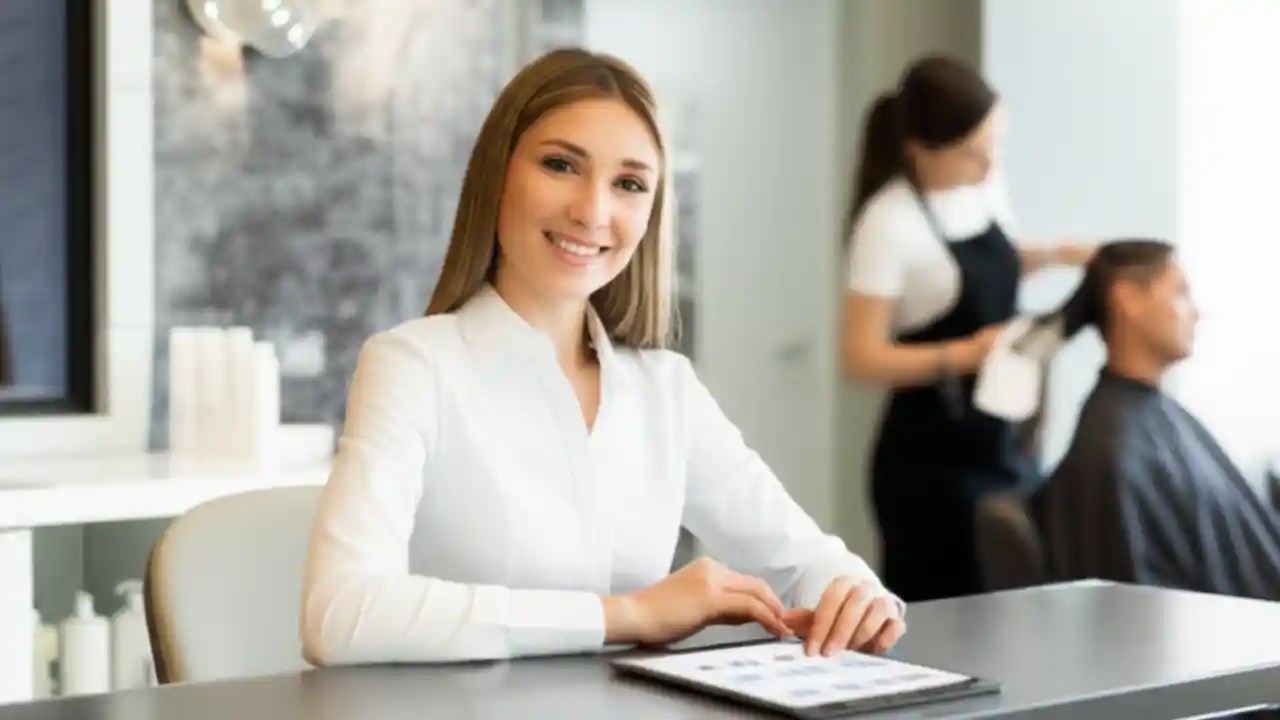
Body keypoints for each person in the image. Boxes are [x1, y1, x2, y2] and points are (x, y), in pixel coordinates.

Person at [301, 48, 904, 666]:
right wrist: (629, 614)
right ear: (498, 174)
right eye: (561, 165)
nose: (592, 211)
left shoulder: (664, 388)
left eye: (629, 184)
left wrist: (853, 595)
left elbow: (806, 559)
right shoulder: (413, 366)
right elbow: (340, 614)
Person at [840, 55, 1095, 602]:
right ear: (919, 149)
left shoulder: (981, 186)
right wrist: (964, 355)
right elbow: (859, 356)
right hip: (929, 465)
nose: (988, 161)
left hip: (1000, 440)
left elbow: (986, 266)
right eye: (972, 150)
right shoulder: (888, 223)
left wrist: (1058, 254)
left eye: (994, 142)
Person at [1037, 240, 1280, 601]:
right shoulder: (1115, 449)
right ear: (1128, 300)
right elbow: (1136, 603)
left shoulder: (1147, 416)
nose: (1196, 313)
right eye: (1180, 292)